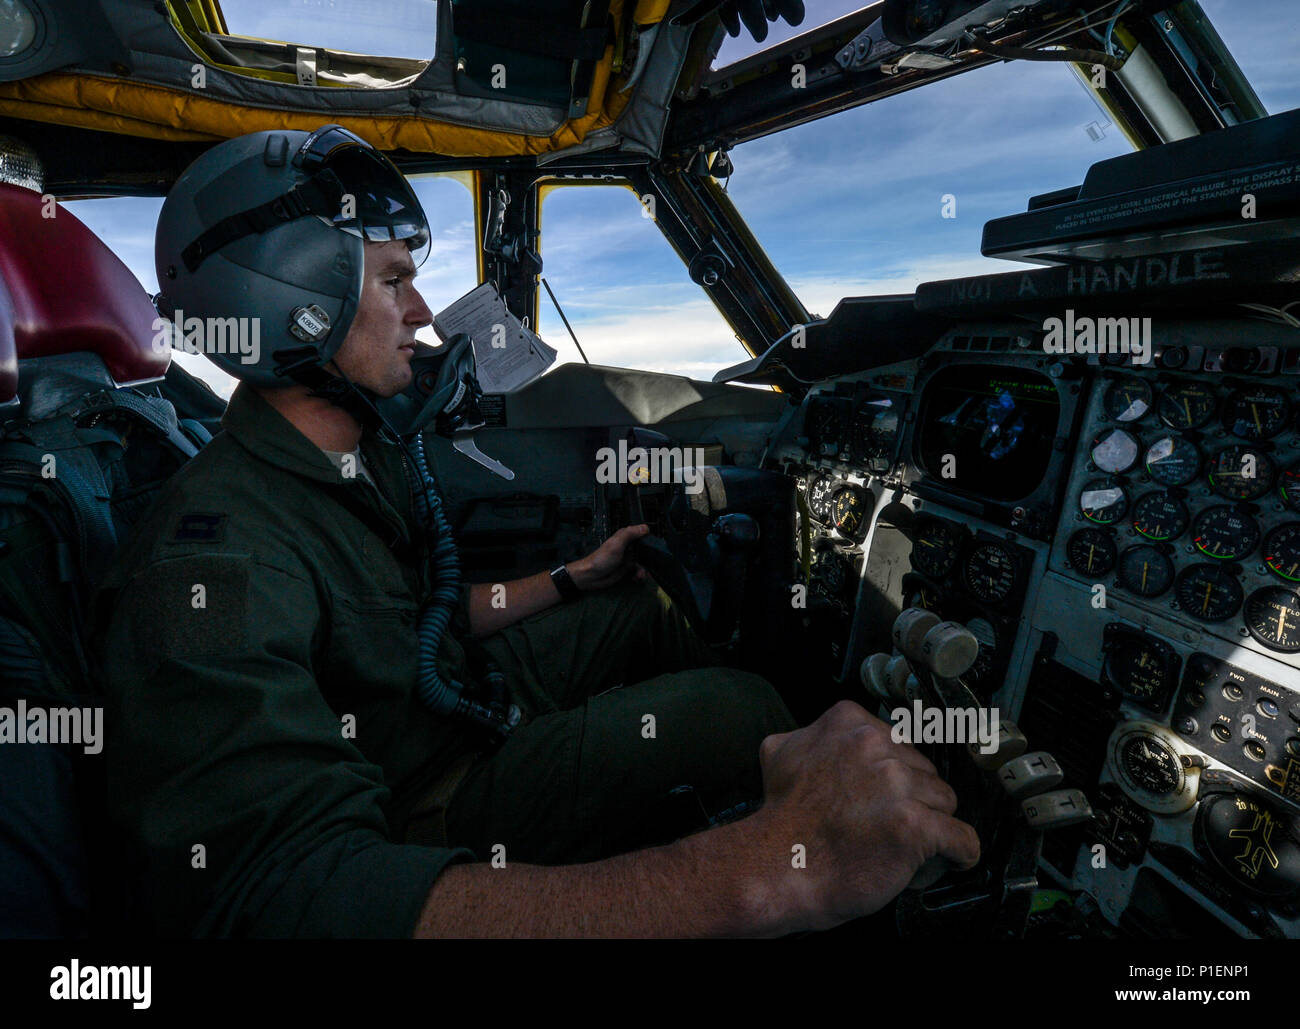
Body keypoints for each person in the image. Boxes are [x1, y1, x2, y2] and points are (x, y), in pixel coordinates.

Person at [91, 126, 978, 938]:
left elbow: (418, 612)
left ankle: (689, 797)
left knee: (643, 601)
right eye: (394, 280)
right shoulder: (211, 558)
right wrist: (766, 872)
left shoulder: (357, 447)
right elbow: (283, 897)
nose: (424, 311)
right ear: (293, 303)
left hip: (440, 689)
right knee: (736, 708)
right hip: (419, 794)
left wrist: (567, 579)